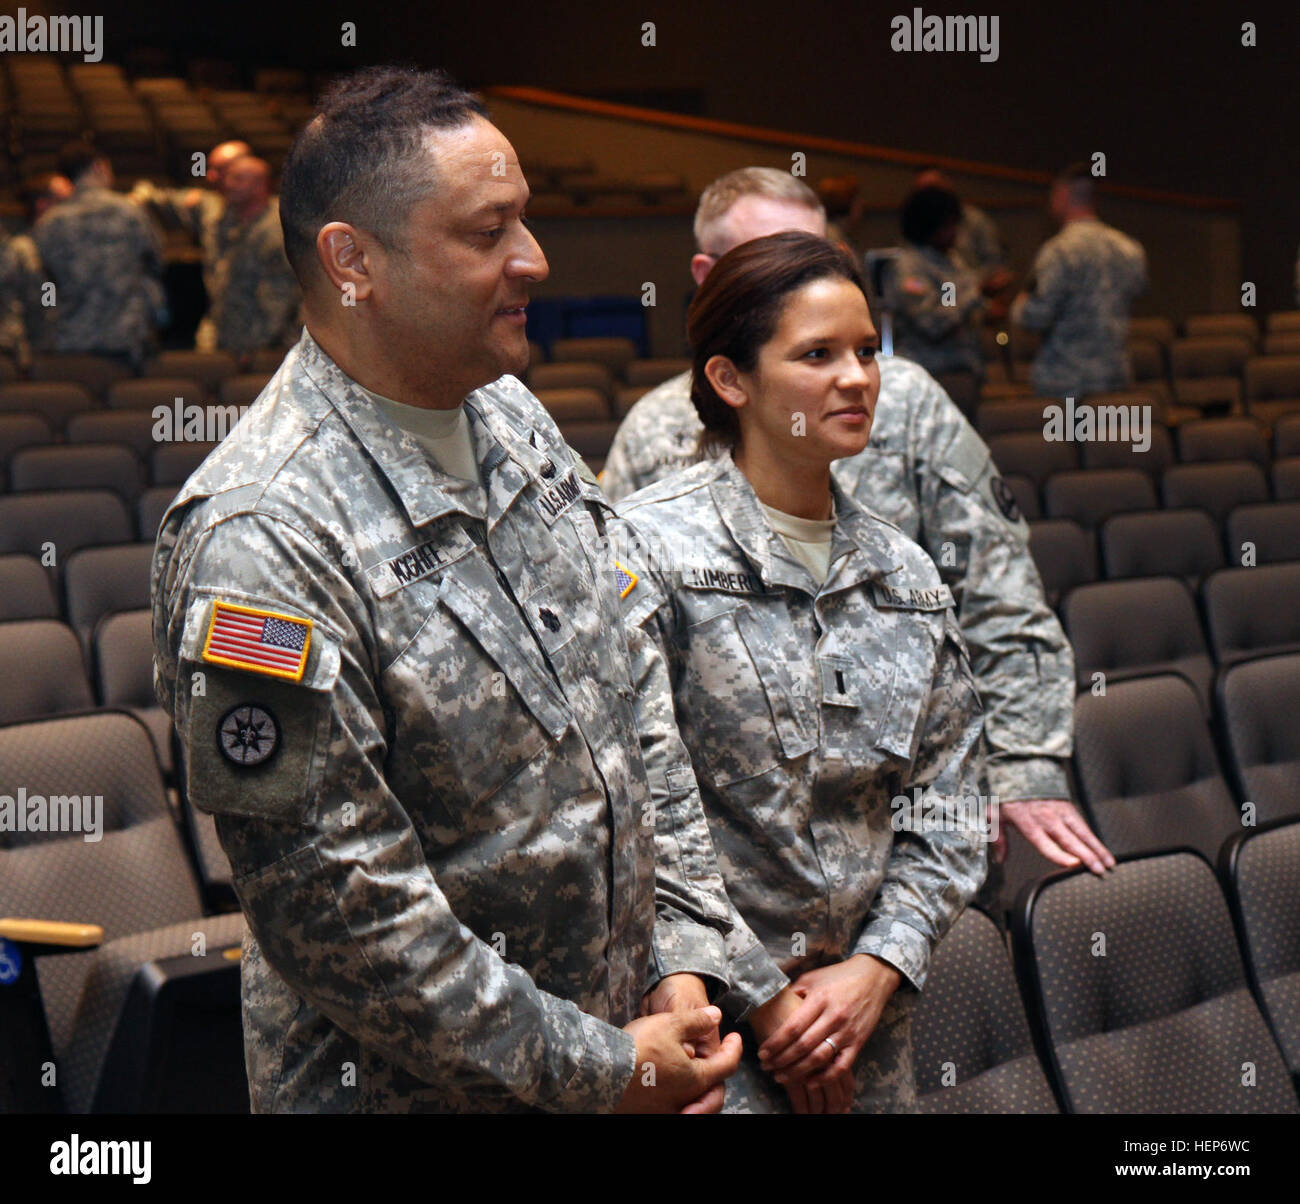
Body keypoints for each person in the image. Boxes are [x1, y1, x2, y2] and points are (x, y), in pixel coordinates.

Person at [152, 65, 743, 1114]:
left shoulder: (513, 419)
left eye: (526, 221)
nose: (535, 260)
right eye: (487, 233)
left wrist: (683, 962)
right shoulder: (259, 538)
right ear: (352, 263)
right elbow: (339, 914)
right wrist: (610, 1072)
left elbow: (637, 690)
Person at [603, 168, 1115, 881]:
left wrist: (1025, 768)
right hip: (739, 863)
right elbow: (629, 692)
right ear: (707, 275)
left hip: (908, 826)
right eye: (771, 257)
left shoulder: (903, 408)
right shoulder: (654, 435)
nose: (805, 280)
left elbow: (999, 591)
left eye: (818, 253)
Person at [615, 231, 987, 1113]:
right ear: (730, 380)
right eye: (816, 355)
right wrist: (770, 1001)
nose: (857, 378)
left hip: (867, 1038)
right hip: (705, 1032)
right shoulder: (644, 551)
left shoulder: (904, 574)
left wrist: (878, 965)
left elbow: (952, 800)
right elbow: (630, 811)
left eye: (866, 351)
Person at [1011, 162, 1148, 399]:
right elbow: (1138, 296)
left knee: (1064, 438)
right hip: (1115, 376)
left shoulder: (1058, 251)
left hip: (1064, 381)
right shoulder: (1130, 249)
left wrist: (1019, 303)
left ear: (1063, 195)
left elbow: (1034, 317)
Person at [33, 144, 164, 367]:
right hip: (126, 339)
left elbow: (44, 283)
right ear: (99, 167)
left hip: (71, 339)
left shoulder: (50, 222)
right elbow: (156, 261)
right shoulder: (130, 211)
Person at [882, 185, 986, 383]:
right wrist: (976, 293)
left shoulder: (952, 261)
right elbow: (932, 323)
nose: (956, 232)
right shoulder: (908, 267)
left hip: (962, 368)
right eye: (950, 225)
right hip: (926, 373)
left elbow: (950, 305)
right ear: (931, 226)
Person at [206, 154, 300, 360]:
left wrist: (258, 348)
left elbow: (280, 296)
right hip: (229, 336)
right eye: (229, 177)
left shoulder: (277, 227)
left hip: (266, 346)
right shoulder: (226, 220)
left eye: (239, 179)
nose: (228, 184)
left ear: (260, 185)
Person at [0, 172, 72, 368]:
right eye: (66, 201)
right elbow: (37, 301)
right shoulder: (21, 250)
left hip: (71, 347)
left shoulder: (76, 248)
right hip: (32, 352)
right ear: (44, 205)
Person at [913, 166, 1012, 295]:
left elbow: (996, 264)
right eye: (923, 191)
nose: (952, 233)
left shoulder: (974, 220)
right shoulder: (914, 235)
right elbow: (947, 307)